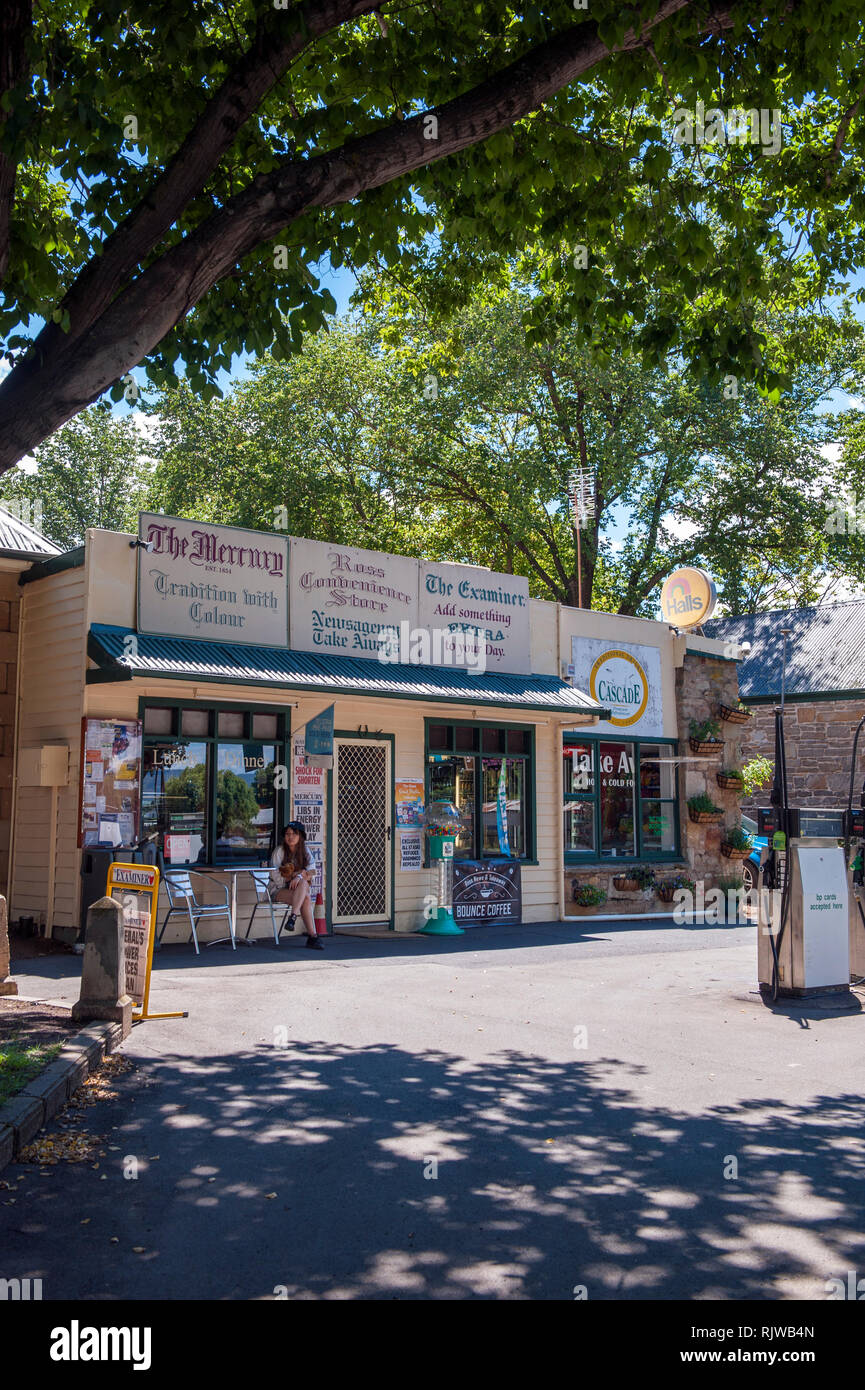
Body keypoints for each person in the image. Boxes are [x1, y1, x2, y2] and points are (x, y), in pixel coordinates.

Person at [269, 822, 323, 950]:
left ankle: (293, 917)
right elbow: (275, 877)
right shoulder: (279, 852)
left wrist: (299, 877)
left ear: (300, 836)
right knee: (305, 897)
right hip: (278, 890)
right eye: (287, 834)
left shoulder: (305, 851)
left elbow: (312, 871)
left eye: (294, 834)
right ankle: (313, 937)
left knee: (303, 885)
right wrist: (295, 875)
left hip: (297, 891)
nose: (290, 837)